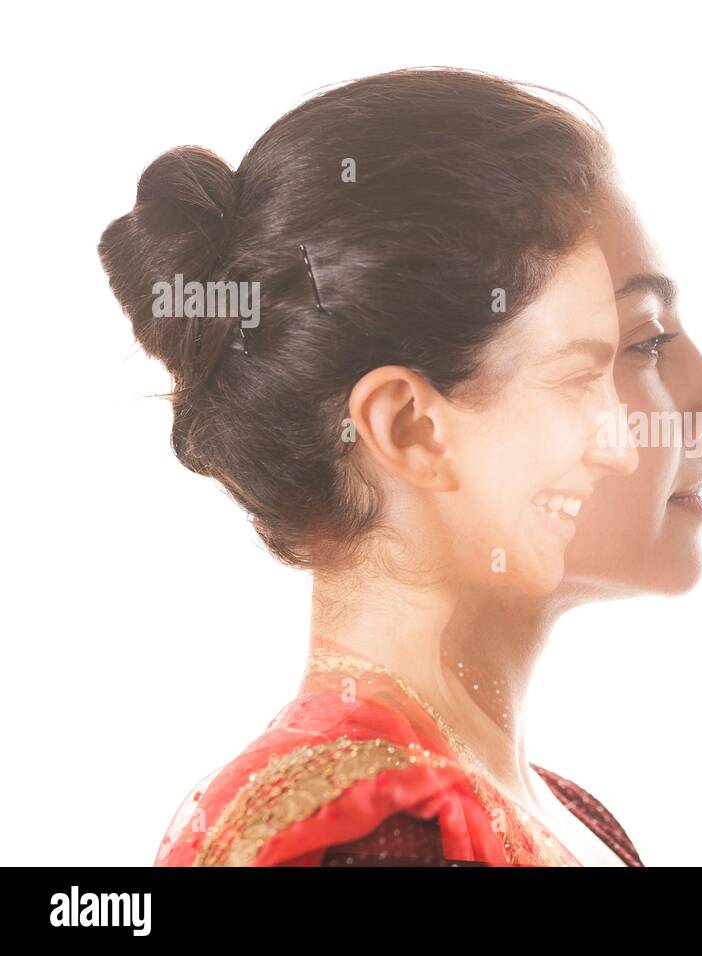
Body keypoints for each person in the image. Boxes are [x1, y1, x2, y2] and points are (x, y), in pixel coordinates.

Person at [100, 68, 647, 866]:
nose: (622, 445)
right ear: (410, 427)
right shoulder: (370, 837)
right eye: (573, 379)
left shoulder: (568, 813)